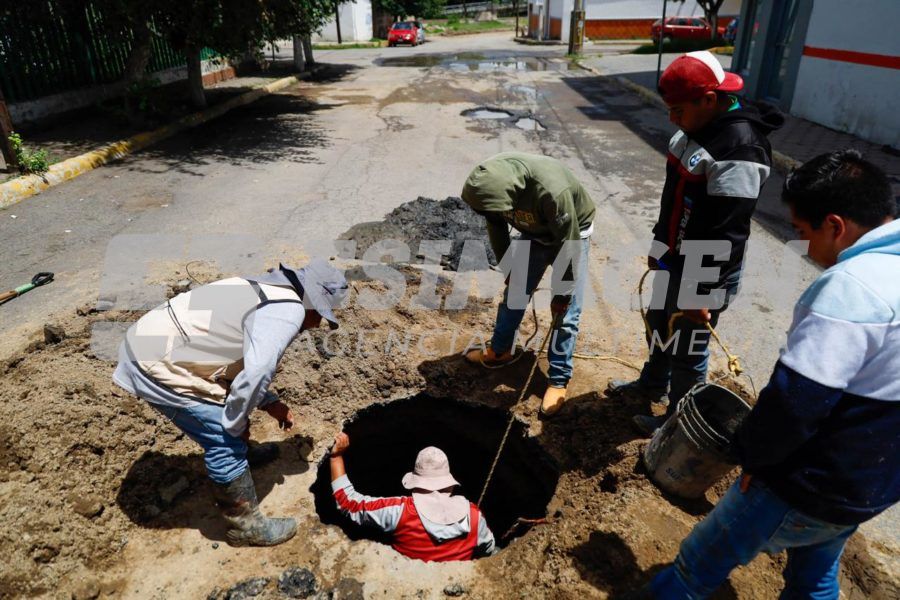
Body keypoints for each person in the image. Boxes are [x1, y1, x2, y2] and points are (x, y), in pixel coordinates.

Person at [648, 150, 899, 598]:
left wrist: (755, 460)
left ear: (835, 226)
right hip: (873, 486)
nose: (803, 244)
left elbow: (795, 403)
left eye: (803, 232)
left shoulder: (851, 288)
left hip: (808, 485)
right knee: (816, 580)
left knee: (693, 568)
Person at [607, 50, 784, 435]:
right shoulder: (692, 131)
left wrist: (701, 292)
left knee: (688, 350)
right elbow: (671, 198)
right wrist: (660, 246)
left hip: (705, 270)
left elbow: (728, 229)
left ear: (708, 100)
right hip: (676, 258)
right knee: (659, 324)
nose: (671, 118)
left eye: (677, 110)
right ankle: (650, 385)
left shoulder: (740, 149)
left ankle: (677, 424)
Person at [114, 259, 348, 546]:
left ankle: (241, 459)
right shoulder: (287, 311)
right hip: (155, 361)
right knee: (224, 438)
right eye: (322, 314)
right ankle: (246, 527)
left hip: (156, 343)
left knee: (230, 417)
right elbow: (257, 371)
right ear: (312, 301)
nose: (319, 323)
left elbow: (233, 359)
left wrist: (269, 402)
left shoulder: (268, 286)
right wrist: (237, 425)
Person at [460, 152, 596, 417]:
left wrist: (563, 292)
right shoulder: (493, 191)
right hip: (533, 232)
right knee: (514, 296)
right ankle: (500, 350)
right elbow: (496, 227)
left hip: (571, 236)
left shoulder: (552, 191)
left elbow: (568, 243)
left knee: (565, 314)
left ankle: (558, 378)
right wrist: (509, 267)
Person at [330, 433, 497, 561]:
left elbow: (347, 503)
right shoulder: (474, 515)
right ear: (450, 483)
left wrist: (337, 457)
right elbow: (488, 550)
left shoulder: (400, 511)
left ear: (416, 482)